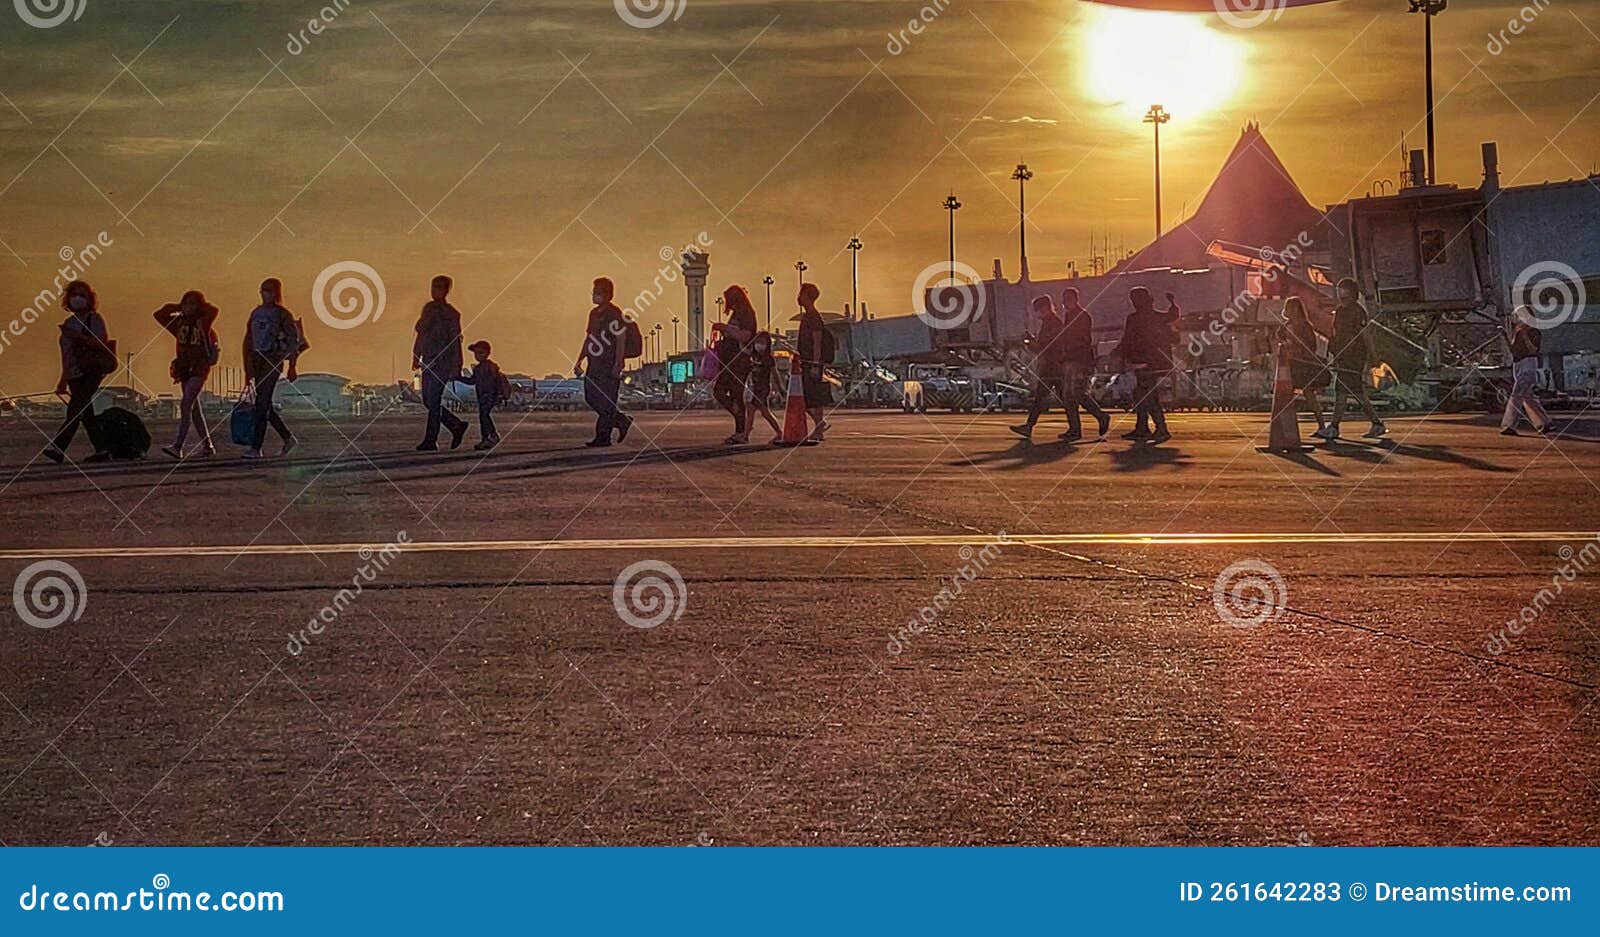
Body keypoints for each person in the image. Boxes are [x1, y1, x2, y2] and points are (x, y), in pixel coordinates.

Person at [42, 280, 114, 464]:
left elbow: (101, 342)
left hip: (91, 371)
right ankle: (102, 449)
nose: (77, 299)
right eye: (74, 295)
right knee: (85, 412)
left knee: (75, 409)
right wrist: (63, 379)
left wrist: (78, 337)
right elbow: (66, 355)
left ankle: (58, 447)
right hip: (74, 374)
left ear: (89, 299)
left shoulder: (94, 319)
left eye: (82, 295)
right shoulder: (69, 322)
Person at [1316, 277, 1386, 441]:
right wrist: (1333, 353)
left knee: (1344, 391)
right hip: (1342, 356)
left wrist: (1373, 356)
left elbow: (1365, 335)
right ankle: (1376, 423)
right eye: (1339, 290)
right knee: (1354, 392)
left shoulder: (1358, 311)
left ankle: (1335, 427)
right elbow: (1335, 334)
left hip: (1354, 357)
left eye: (1344, 290)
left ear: (1352, 293)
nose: (1341, 294)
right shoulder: (1340, 311)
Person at [153, 290, 220, 460]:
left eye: (193, 303)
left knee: (186, 404)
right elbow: (159, 314)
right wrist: (178, 307)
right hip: (184, 369)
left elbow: (214, 310)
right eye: (186, 303)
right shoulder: (178, 324)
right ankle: (208, 445)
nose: (189, 307)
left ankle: (178, 445)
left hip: (199, 368)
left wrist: (200, 310)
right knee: (194, 409)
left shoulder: (204, 323)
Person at [242, 278, 302, 460]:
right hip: (257, 360)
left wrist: (292, 366)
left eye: (268, 290)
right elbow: (248, 340)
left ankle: (256, 447)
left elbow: (293, 342)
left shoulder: (283, 314)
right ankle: (287, 438)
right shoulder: (255, 313)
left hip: (273, 359)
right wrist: (247, 368)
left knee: (262, 403)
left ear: (276, 292)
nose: (265, 294)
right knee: (264, 404)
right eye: (262, 290)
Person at [413, 275, 469, 452]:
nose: (435, 290)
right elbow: (421, 335)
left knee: (434, 399)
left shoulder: (451, 314)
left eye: (439, 287)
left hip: (444, 362)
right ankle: (456, 425)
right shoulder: (428, 310)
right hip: (428, 361)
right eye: (434, 286)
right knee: (428, 400)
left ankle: (431, 440)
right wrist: (416, 356)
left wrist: (457, 365)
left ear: (446, 290)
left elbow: (456, 341)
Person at [1116, 286, 1177, 445]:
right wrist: (1172, 303)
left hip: (1142, 362)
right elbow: (1172, 315)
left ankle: (1160, 428)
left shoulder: (1134, 318)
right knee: (1143, 395)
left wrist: (1119, 354)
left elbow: (1128, 340)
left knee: (1147, 396)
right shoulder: (1155, 316)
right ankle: (1142, 427)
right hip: (1156, 362)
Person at [575, 277, 631, 448]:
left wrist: (618, 363)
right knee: (591, 397)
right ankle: (621, 420)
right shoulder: (593, 314)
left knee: (607, 401)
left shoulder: (614, 314)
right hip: (594, 363)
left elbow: (621, 338)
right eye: (594, 292)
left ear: (608, 294)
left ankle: (603, 437)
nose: (594, 295)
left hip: (609, 363)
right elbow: (589, 337)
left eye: (598, 292)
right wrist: (580, 359)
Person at [1010, 295, 1068, 440]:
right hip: (1052, 365)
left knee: (1045, 398)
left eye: (1037, 309)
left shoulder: (1052, 323)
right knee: (1056, 398)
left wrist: (1030, 343)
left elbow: (1046, 346)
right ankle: (1029, 426)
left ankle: (1029, 426)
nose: (1036, 313)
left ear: (1044, 308)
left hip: (1052, 366)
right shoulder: (1051, 323)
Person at [1060, 286, 1111, 442]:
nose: (1065, 303)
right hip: (1073, 359)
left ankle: (1096, 418)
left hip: (1079, 361)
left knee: (1075, 394)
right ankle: (1077, 428)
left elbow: (1083, 340)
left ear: (1075, 299)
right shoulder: (1072, 316)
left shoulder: (1081, 317)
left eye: (1068, 299)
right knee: (1071, 395)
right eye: (1065, 300)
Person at [713, 285, 759, 444]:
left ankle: (741, 430)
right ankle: (741, 424)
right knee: (721, 392)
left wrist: (725, 328)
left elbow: (745, 336)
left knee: (735, 395)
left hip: (739, 362)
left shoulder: (746, 314)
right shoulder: (738, 313)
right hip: (729, 362)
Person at [1501, 308, 1552, 437]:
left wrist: (1524, 334)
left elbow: (1533, 350)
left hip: (1528, 363)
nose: (1516, 319)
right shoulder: (1517, 332)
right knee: (1527, 396)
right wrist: (1506, 337)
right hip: (1518, 364)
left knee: (1517, 394)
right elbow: (1514, 351)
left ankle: (1509, 425)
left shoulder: (1534, 332)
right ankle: (1544, 422)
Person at [1282, 297, 1328, 436]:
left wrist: (1296, 343)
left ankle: (1321, 425)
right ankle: (1287, 427)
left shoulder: (1305, 325)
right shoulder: (1286, 325)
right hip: (1291, 363)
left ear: (1297, 309)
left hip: (1303, 364)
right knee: (1287, 394)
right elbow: (1280, 338)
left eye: (1292, 308)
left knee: (1309, 394)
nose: (1290, 311)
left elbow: (1311, 346)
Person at [455, 340, 509, 450]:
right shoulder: (478, 368)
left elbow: (497, 381)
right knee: (484, 416)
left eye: (480, 353)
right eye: (476, 353)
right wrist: (458, 378)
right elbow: (472, 381)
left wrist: (499, 395)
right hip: (482, 396)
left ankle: (489, 437)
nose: (477, 356)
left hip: (490, 395)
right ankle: (490, 436)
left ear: (487, 353)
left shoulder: (491, 367)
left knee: (484, 416)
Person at [796, 283, 832, 443]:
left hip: (812, 363)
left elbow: (817, 341)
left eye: (801, 294)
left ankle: (819, 425)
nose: (798, 297)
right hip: (806, 361)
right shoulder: (807, 316)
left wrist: (816, 364)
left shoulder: (813, 317)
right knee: (809, 397)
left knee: (812, 397)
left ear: (808, 297)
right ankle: (819, 426)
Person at [746, 330, 784, 444]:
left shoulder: (768, 359)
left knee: (763, 411)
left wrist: (780, 388)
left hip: (763, 388)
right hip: (754, 387)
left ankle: (779, 433)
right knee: (752, 410)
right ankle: (746, 433)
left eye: (762, 342)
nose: (759, 344)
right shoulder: (754, 356)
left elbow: (775, 374)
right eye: (757, 341)